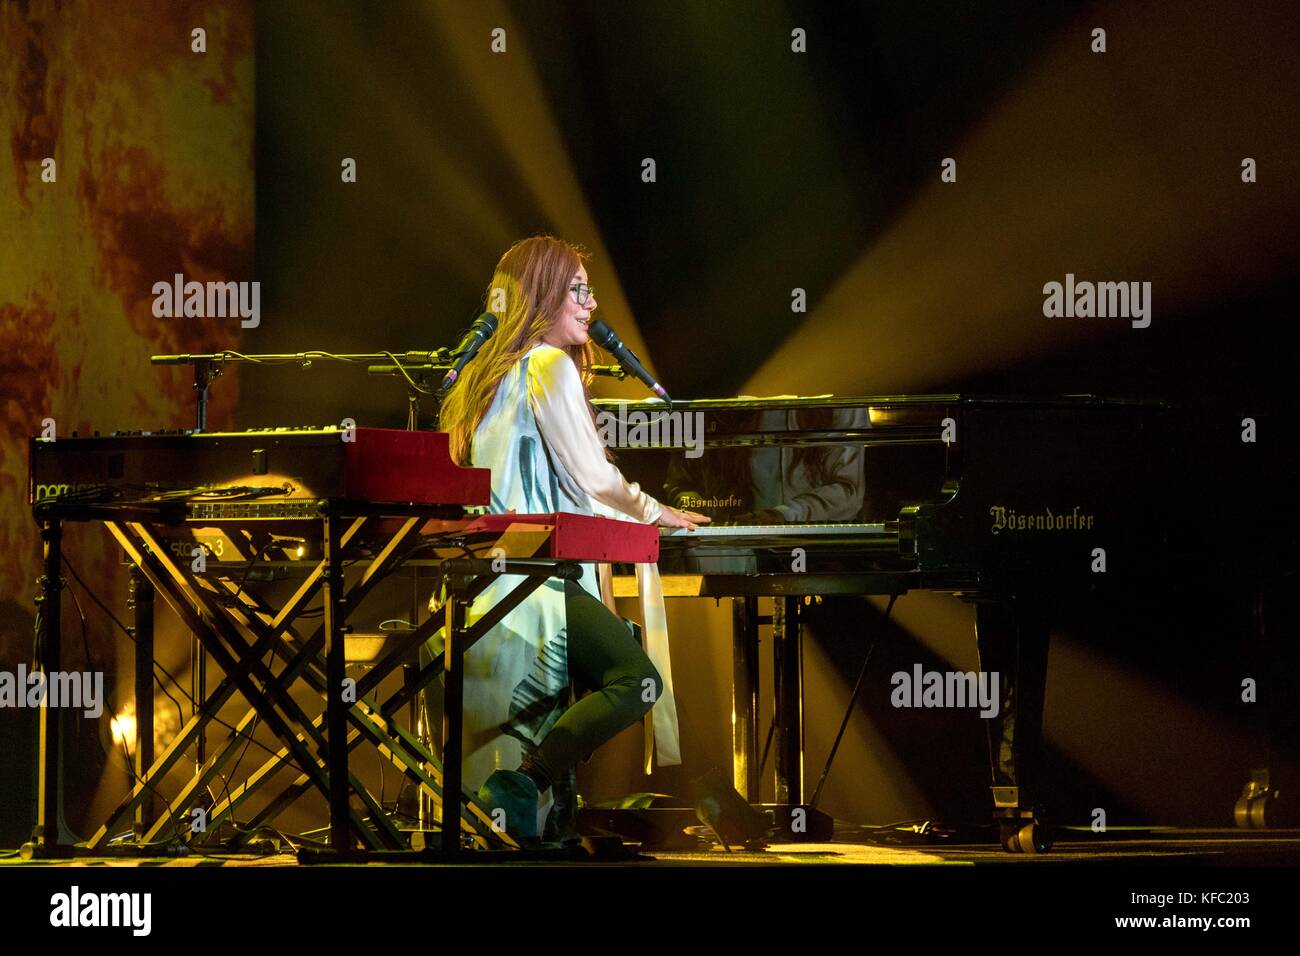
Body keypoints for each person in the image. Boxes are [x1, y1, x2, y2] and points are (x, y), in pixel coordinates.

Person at [436, 235, 708, 843]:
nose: (590, 303)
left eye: (590, 290)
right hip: (540, 580)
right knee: (638, 680)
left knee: (613, 675)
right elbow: (592, 476)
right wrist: (654, 510)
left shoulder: (490, 376)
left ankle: (538, 795)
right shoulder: (547, 363)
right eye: (576, 289)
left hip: (497, 579)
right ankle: (523, 781)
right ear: (541, 295)